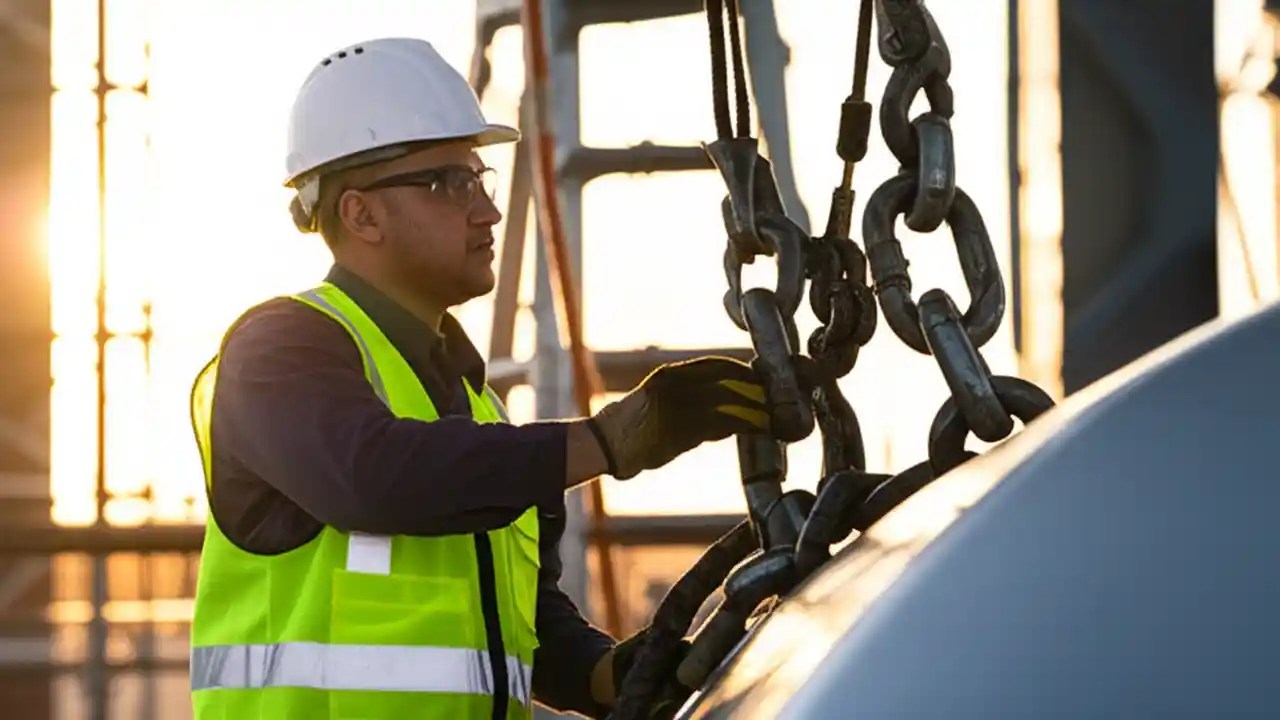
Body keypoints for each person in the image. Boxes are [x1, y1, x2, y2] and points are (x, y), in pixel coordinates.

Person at [186, 37, 772, 720]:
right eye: (448, 182)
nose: (486, 210)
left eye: (479, 178)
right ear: (360, 213)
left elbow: (515, 620)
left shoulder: (476, 409)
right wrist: (611, 441)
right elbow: (374, 479)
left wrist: (607, 672)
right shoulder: (277, 351)